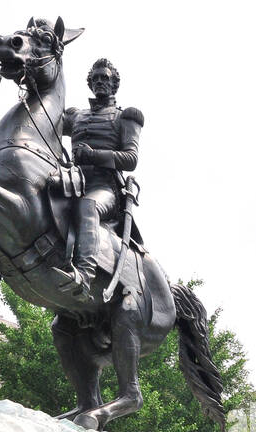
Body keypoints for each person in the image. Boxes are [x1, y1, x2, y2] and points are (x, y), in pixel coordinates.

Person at [60, 57, 144, 292]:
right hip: (72, 182)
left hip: (104, 187)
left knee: (88, 206)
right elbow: (46, 120)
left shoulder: (125, 117)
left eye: (104, 78)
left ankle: (85, 274)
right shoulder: (76, 116)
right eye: (95, 78)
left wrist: (93, 155)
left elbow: (131, 159)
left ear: (114, 83)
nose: (99, 81)